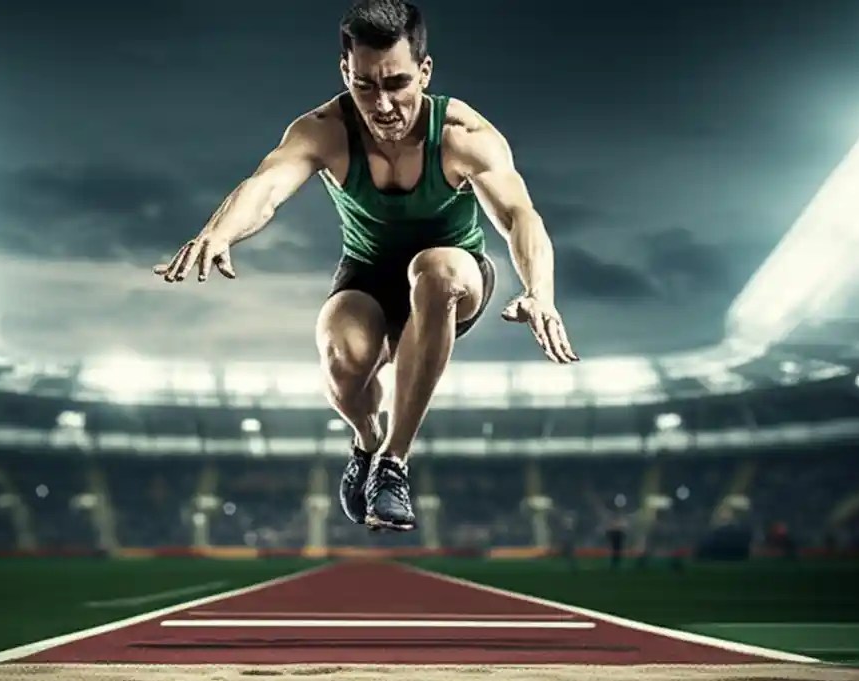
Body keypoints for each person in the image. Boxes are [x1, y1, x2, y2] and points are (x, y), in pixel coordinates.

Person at [155, 0, 578, 532]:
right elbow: (266, 187)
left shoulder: (462, 134)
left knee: (436, 270)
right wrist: (218, 230)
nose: (382, 104)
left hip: (455, 271)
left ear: (424, 72)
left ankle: (394, 465)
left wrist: (540, 291)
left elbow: (519, 214)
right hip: (368, 275)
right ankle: (366, 441)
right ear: (345, 73)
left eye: (398, 83)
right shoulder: (325, 130)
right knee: (342, 351)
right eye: (365, 85)